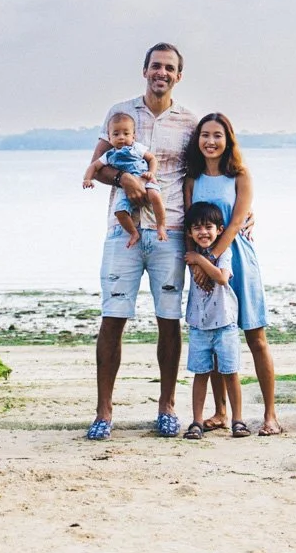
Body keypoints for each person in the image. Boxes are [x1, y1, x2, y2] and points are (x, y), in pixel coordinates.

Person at [82, 43, 199, 440]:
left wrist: (241, 209)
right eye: (155, 66)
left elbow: (203, 173)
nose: (160, 73)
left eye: (169, 68)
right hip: (123, 231)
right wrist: (123, 178)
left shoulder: (189, 121)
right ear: (144, 70)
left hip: (171, 229)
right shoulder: (121, 113)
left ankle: (166, 406)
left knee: (169, 318)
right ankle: (103, 412)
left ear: (178, 76)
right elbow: (96, 167)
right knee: (113, 317)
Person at [183, 112, 282, 436]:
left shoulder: (240, 175)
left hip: (237, 260)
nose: (211, 142)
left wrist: (209, 259)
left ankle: (270, 415)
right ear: (198, 141)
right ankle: (220, 412)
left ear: (228, 140)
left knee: (255, 337)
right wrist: (197, 263)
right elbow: (188, 223)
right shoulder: (192, 179)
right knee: (213, 334)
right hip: (204, 264)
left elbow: (237, 221)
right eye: (205, 135)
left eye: (217, 136)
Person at [180, 201, 249, 439]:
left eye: (208, 227)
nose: (203, 232)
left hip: (225, 323)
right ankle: (197, 422)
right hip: (199, 324)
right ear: (189, 232)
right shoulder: (189, 252)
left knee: (230, 372)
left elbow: (221, 278)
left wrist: (199, 260)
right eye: (197, 228)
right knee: (201, 374)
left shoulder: (223, 252)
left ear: (219, 229)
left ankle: (237, 420)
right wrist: (195, 257)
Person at [81, 111, 167, 246]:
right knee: (120, 211)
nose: (121, 137)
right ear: (109, 138)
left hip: (143, 177)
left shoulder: (137, 148)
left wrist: (151, 172)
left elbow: (152, 159)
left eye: (126, 134)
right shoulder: (109, 155)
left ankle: (161, 226)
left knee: (155, 196)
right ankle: (133, 233)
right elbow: (94, 166)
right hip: (124, 187)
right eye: (116, 134)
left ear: (133, 136)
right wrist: (87, 179)